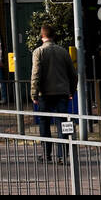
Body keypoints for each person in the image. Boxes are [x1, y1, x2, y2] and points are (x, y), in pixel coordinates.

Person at [31, 23, 77, 164]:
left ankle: (46, 154)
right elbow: (73, 74)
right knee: (62, 124)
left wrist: (34, 93)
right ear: (53, 36)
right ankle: (62, 156)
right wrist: (71, 91)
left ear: (42, 36)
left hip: (45, 94)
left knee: (44, 123)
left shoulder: (38, 52)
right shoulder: (63, 52)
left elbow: (36, 74)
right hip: (62, 93)